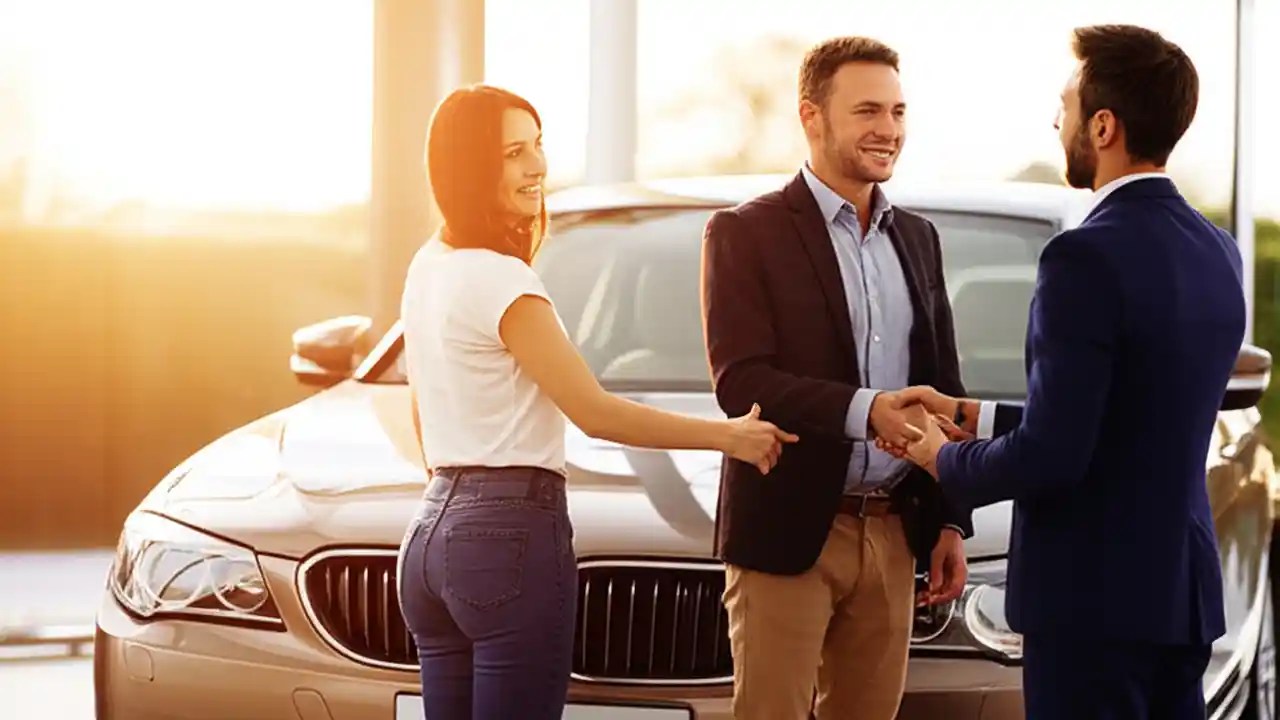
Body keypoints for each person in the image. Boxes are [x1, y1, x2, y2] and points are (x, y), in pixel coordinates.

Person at [395, 84, 798, 720]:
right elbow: (594, 411)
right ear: (470, 168)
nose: (536, 168)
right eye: (511, 154)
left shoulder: (430, 264)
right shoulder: (501, 279)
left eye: (537, 146)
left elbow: (423, 404)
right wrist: (730, 437)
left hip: (429, 535)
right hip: (509, 533)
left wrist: (459, 508)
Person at [884, 24, 1246, 720]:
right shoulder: (1217, 251)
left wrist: (943, 459)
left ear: (1103, 125)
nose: (1058, 121)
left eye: (1067, 105)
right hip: (1178, 596)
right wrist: (978, 416)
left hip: (1092, 607)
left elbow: (1055, 456)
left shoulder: (1083, 258)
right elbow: (1127, 420)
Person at [700, 36, 985, 720]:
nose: (887, 129)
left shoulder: (917, 237)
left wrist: (951, 521)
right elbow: (741, 380)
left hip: (892, 534)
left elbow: (941, 381)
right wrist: (866, 410)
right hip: (790, 531)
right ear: (812, 116)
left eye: (897, 111)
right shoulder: (745, 233)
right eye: (866, 111)